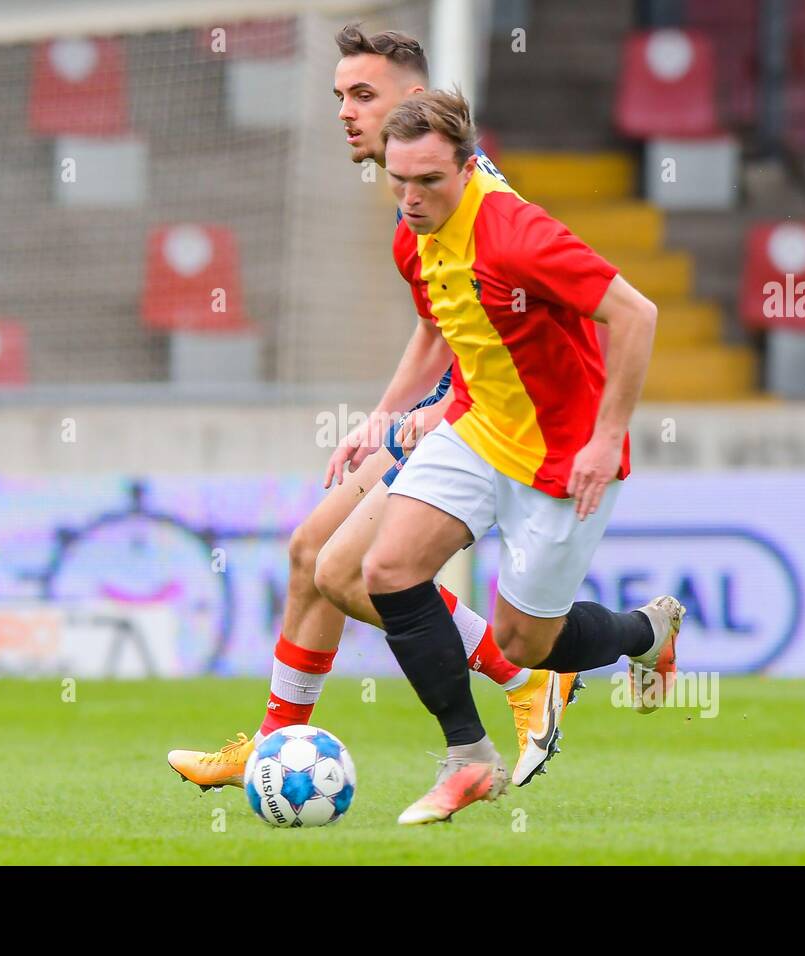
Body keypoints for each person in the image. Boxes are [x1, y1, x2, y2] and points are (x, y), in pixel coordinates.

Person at [167, 27, 576, 792]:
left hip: (485, 420)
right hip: (442, 408)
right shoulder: (412, 191)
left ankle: (525, 681)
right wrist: (380, 419)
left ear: (414, 102)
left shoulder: (469, 193)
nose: (346, 113)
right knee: (311, 560)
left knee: (349, 572)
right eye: (340, 98)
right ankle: (273, 745)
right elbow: (434, 323)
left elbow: (512, 322)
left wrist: (434, 415)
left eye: (364, 95)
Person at [327, 89, 685, 825]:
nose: (412, 197)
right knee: (386, 570)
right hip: (478, 427)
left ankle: (648, 632)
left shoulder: (517, 233)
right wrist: (386, 418)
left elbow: (636, 314)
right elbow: (441, 327)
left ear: (467, 165)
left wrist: (607, 435)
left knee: (531, 642)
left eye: (429, 181)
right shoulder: (411, 235)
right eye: (398, 181)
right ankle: (468, 757)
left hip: (560, 452)